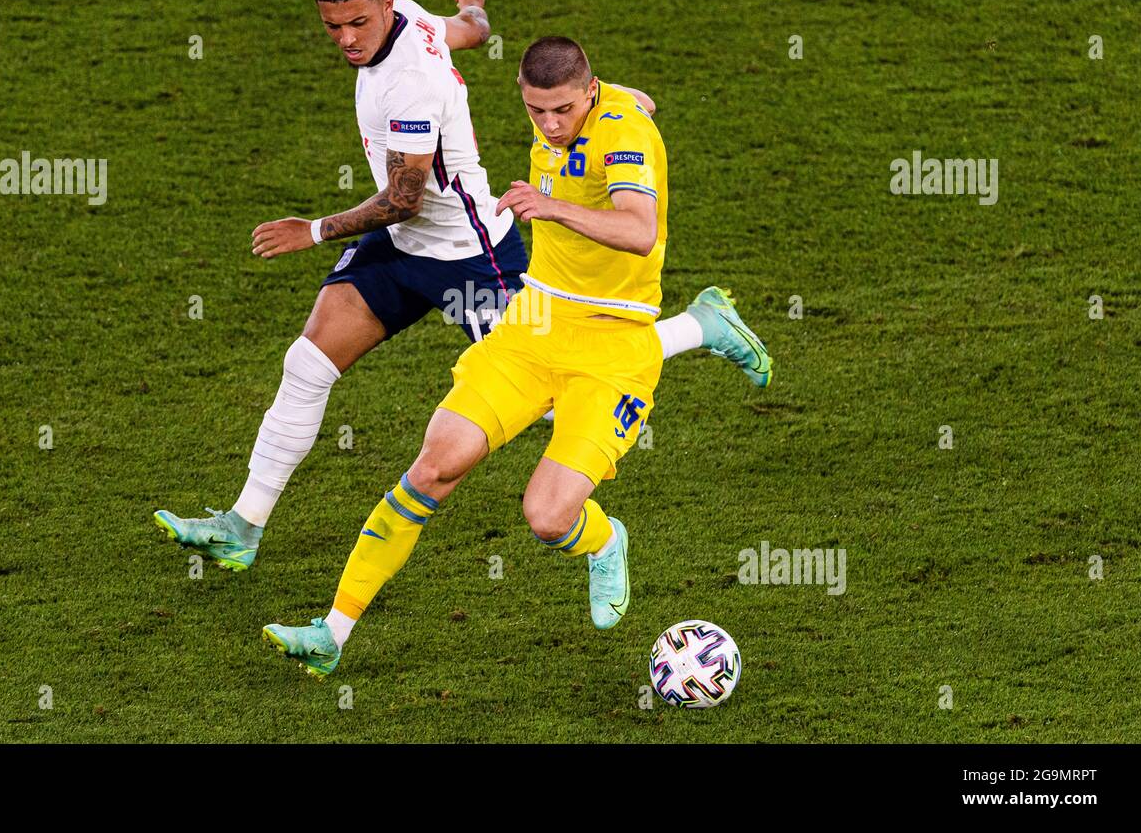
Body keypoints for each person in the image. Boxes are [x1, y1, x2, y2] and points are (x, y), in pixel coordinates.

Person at [154, 0, 771, 574]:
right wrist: (472, 4)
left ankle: (701, 326)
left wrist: (311, 231)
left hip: (470, 255)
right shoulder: (411, 18)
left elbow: (402, 197)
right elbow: (471, 33)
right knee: (307, 363)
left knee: (559, 392)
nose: (346, 40)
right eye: (332, 27)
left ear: (383, 7)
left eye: (357, 24)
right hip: (399, 250)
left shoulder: (411, 85)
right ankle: (242, 526)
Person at [263, 36, 770, 676]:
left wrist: (548, 204)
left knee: (547, 515)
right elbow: (625, 99)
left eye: (562, 111)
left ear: (588, 93)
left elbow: (639, 230)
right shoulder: (586, 101)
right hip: (531, 327)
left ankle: (606, 541)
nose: (550, 126)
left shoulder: (623, 135)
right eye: (536, 112)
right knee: (435, 465)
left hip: (613, 347)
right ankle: (331, 632)